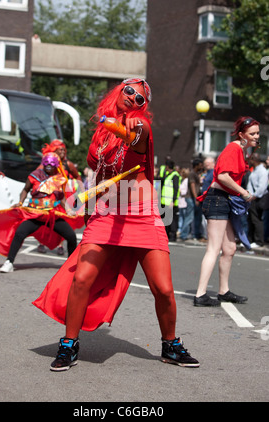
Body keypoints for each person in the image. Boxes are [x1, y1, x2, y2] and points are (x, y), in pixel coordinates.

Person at [33, 78, 199, 370]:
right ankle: (69, 344)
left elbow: (136, 139)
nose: (133, 98)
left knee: (163, 289)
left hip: (143, 213)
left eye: (140, 99)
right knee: (82, 278)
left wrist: (126, 130)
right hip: (107, 212)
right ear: (119, 91)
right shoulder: (99, 135)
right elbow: (96, 176)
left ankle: (170, 344)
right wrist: (87, 213)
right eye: (129, 91)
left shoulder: (140, 127)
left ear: (143, 107)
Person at [194, 116, 259, 307]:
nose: (257, 136)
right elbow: (222, 176)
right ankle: (200, 295)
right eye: (253, 133)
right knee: (214, 249)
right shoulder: (234, 148)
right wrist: (244, 193)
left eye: (257, 133)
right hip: (217, 200)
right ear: (242, 135)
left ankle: (223, 291)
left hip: (224, 201)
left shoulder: (241, 150)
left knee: (229, 249)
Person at [0, 153, 78, 273]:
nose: (49, 167)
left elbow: (61, 197)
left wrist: (69, 209)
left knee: (71, 236)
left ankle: (71, 265)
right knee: (20, 233)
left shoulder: (59, 179)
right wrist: (20, 202)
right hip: (35, 214)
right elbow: (25, 190)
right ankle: (9, 262)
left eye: (52, 165)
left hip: (51, 216)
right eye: (47, 165)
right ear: (44, 164)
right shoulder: (34, 176)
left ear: (56, 166)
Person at [37, 140, 82, 255]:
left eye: (63, 149)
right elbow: (36, 175)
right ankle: (41, 243)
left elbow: (77, 176)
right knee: (46, 219)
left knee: (64, 221)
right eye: (59, 149)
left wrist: (80, 192)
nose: (62, 151)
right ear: (53, 151)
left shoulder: (68, 164)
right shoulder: (45, 164)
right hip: (50, 197)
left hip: (64, 196)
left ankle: (61, 246)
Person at [246, 153, 269, 248]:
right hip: (252, 198)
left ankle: (259, 241)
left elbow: (262, 186)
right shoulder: (255, 170)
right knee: (251, 219)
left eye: (250, 160)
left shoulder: (262, 171)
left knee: (257, 220)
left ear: (254, 160)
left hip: (258, 198)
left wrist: (254, 196)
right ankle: (251, 239)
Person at [159, 158, 181, 242]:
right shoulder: (169, 175)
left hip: (170, 202)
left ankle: (173, 236)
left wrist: (173, 200)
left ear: (167, 167)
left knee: (172, 220)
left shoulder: (175, 175)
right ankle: (167, 235)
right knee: (166, 219)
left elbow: (176, 189)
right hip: (165, 202)